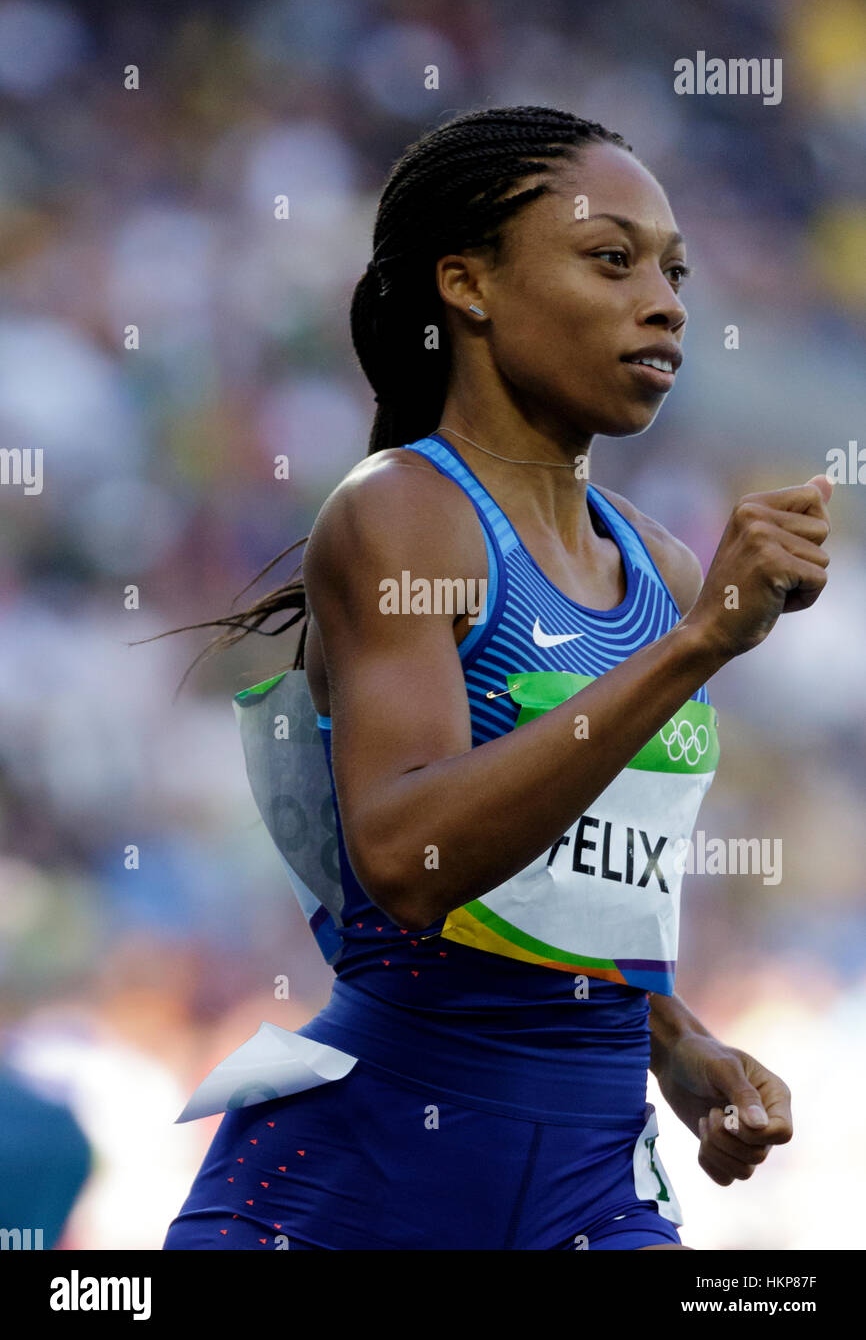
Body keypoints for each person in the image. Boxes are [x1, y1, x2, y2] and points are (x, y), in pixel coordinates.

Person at [163, 105, 832, 1251]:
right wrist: (695, 648)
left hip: (591, 1183)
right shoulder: (399, 516)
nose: (664, 303)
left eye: (672, 272)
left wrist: (674, 1042)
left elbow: (565, 896)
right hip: (353, 1188)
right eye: (610, 259)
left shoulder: (662, 571)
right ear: (465, 285)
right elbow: (407, 860)